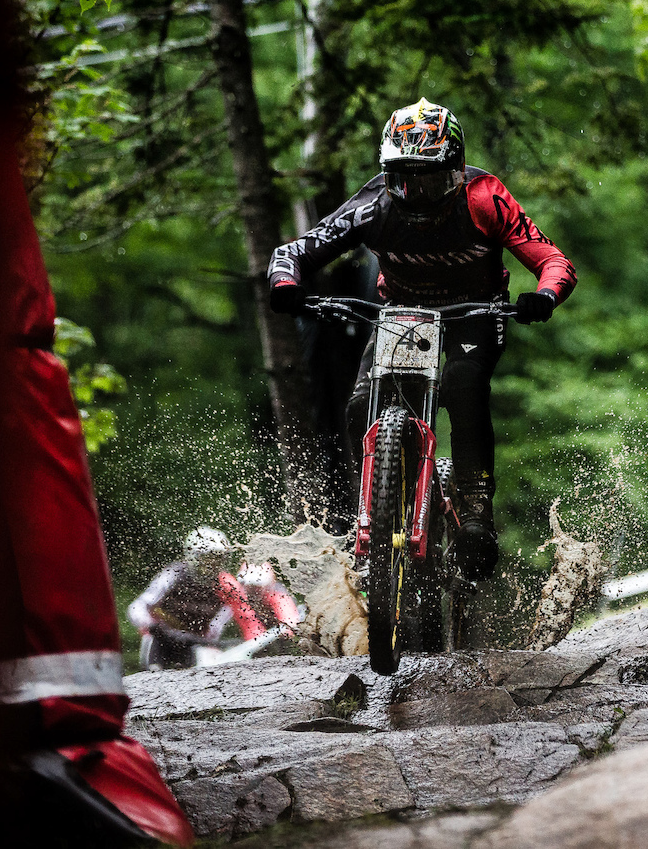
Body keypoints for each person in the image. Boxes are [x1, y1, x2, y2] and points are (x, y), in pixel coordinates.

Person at [268, 99, 577, 578]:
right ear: (389, 174)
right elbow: (296, 251)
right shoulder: (374, 205)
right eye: (405, 177)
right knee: (358, 408)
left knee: (462, 382)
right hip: (401, 314)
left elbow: (553, 260)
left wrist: (545, 295)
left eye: (431, 177)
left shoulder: (484, 198)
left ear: (454, 169)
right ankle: (375, 510)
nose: (417, 191)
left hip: (473, 312)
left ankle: (475, 508)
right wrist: (285, 283)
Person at [129, 527, 296, 670]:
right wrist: (151, 625)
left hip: (199, 643)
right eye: (207, 559)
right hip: (161, 638)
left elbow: (246, 618)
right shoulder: (173, 575)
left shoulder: (227, 584)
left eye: (218, 559)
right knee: (155, 659)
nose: (212, 565)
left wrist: (257, 644)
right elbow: (138, 607)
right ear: (192, 556)